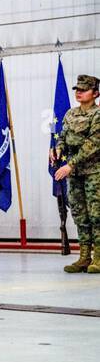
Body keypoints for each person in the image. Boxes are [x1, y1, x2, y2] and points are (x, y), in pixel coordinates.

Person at [54, 74, 100, 274]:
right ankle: (83, 256)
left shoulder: (98, 115)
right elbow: (63, 136)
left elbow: (93, 145)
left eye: (84, 89)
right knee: (80, 215)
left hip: (94, 172)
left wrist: (70, 165)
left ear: (96, 93)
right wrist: (57, 149)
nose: (79, 92)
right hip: (75, 174)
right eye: (77, 89)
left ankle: (98, 257)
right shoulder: (70, 114)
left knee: (96, 215)